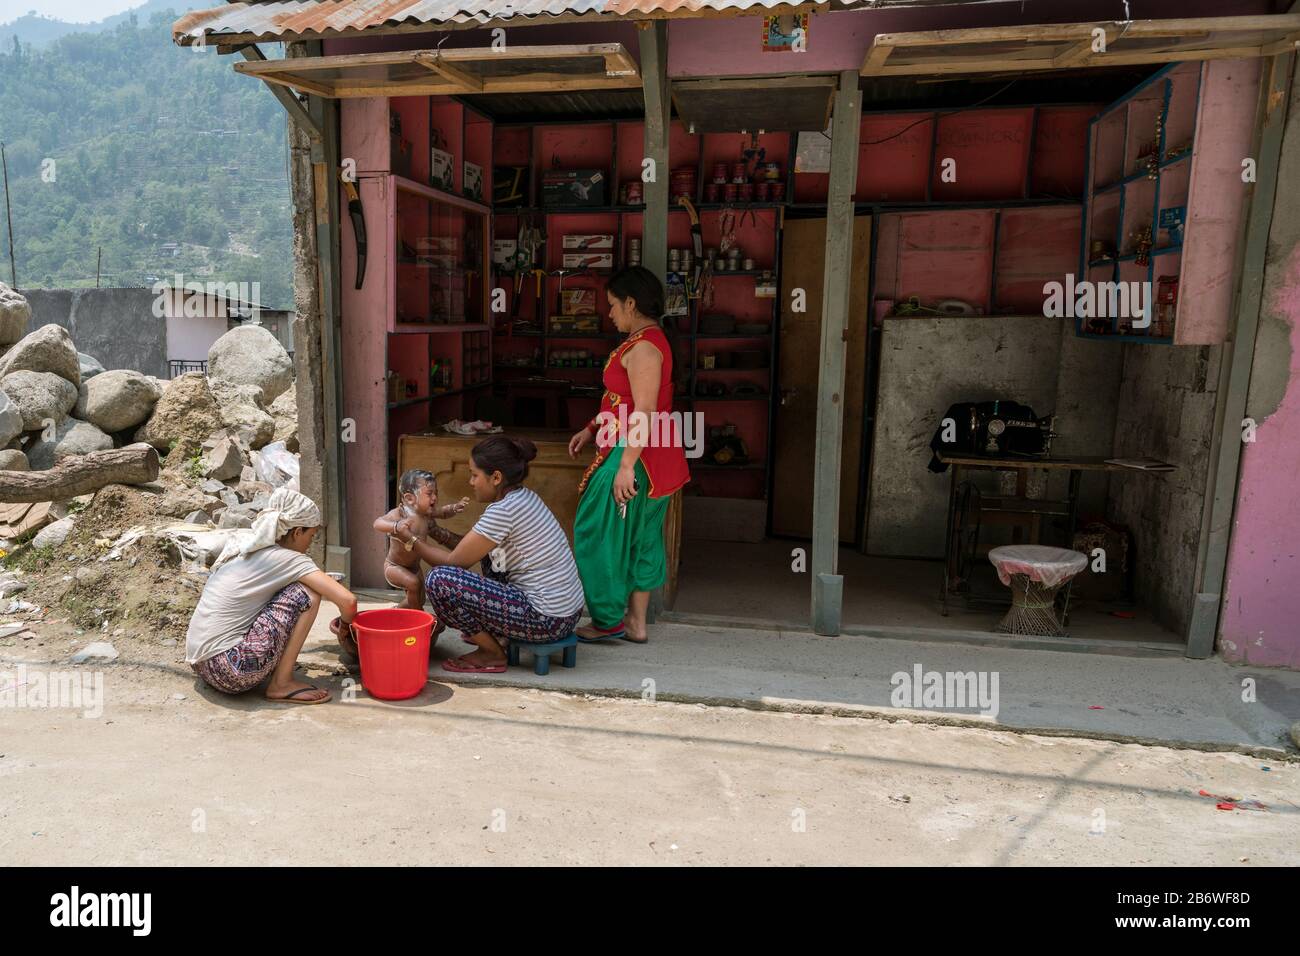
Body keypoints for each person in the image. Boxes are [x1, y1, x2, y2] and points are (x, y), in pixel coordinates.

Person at [568, 267, 689, 643]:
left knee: (595, 531)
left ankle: (607, 619)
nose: (610, 314)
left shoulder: (645, 348)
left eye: (613, 306)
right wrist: (592, 427)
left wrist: (625, 466)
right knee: (643, 539)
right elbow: (626, 400)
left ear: (631, 304)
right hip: (657, 456)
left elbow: (645, 411)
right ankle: (636, 624)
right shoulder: (647, 342)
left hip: (639, 456)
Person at [394, 436, 584, 673]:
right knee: (490, 555)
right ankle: (496, 635)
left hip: (546, 621)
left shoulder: (504, 510)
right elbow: (471, 547)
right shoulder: (523, 497)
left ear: (496, 477)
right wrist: (436, 531)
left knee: (439, 580)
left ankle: (491, 653)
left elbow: (455, 562)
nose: (471, 481)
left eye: (475, 474)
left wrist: (410, 539)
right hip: (568, 613)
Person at [185, 488, 358, 704]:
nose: (309, 544)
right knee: (308, 593)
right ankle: (281, 684)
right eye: (311, 536)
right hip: (231, 670)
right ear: (297, 532)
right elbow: (348, 602)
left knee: (298, 588)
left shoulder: (247, 546)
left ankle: (277, 673)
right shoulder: (290, 559)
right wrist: (345, 631)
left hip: (202, 666)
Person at [373, 468, 469, 610]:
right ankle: (418, 618)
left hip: (414, 567)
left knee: (420, 599)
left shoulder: (426, 514)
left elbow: (443, 512)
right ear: (410, 498)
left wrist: (455, 507)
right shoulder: (400, 514)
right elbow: (377, 523)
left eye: (435, 493)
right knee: (413, 584)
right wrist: (395, 526)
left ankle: (396, 612)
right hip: (394, 567)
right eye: (429, 494)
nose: (435, 498)